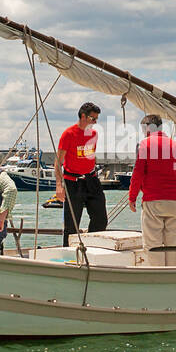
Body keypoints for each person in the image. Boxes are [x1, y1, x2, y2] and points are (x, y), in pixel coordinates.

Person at [127, 114, 176, 267]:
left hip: (154, 199)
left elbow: (138, 173)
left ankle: (158, 276)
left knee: (153, 244)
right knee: (171, 244)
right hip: (174, 201)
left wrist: (132, 197)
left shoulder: (145, 144)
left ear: (148, 128)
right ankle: (171, 275)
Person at [55, 102, 108, 246]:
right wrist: (59, 186)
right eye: (93, 119)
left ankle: (91, 246)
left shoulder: (94, 134)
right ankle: (68, 255)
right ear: (83, 116)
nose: (95, 122)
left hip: (91, 180)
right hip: (73, 182)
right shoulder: (68, 134)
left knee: (101, 219)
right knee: (71, 225)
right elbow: (58, 162)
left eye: (97, 119)